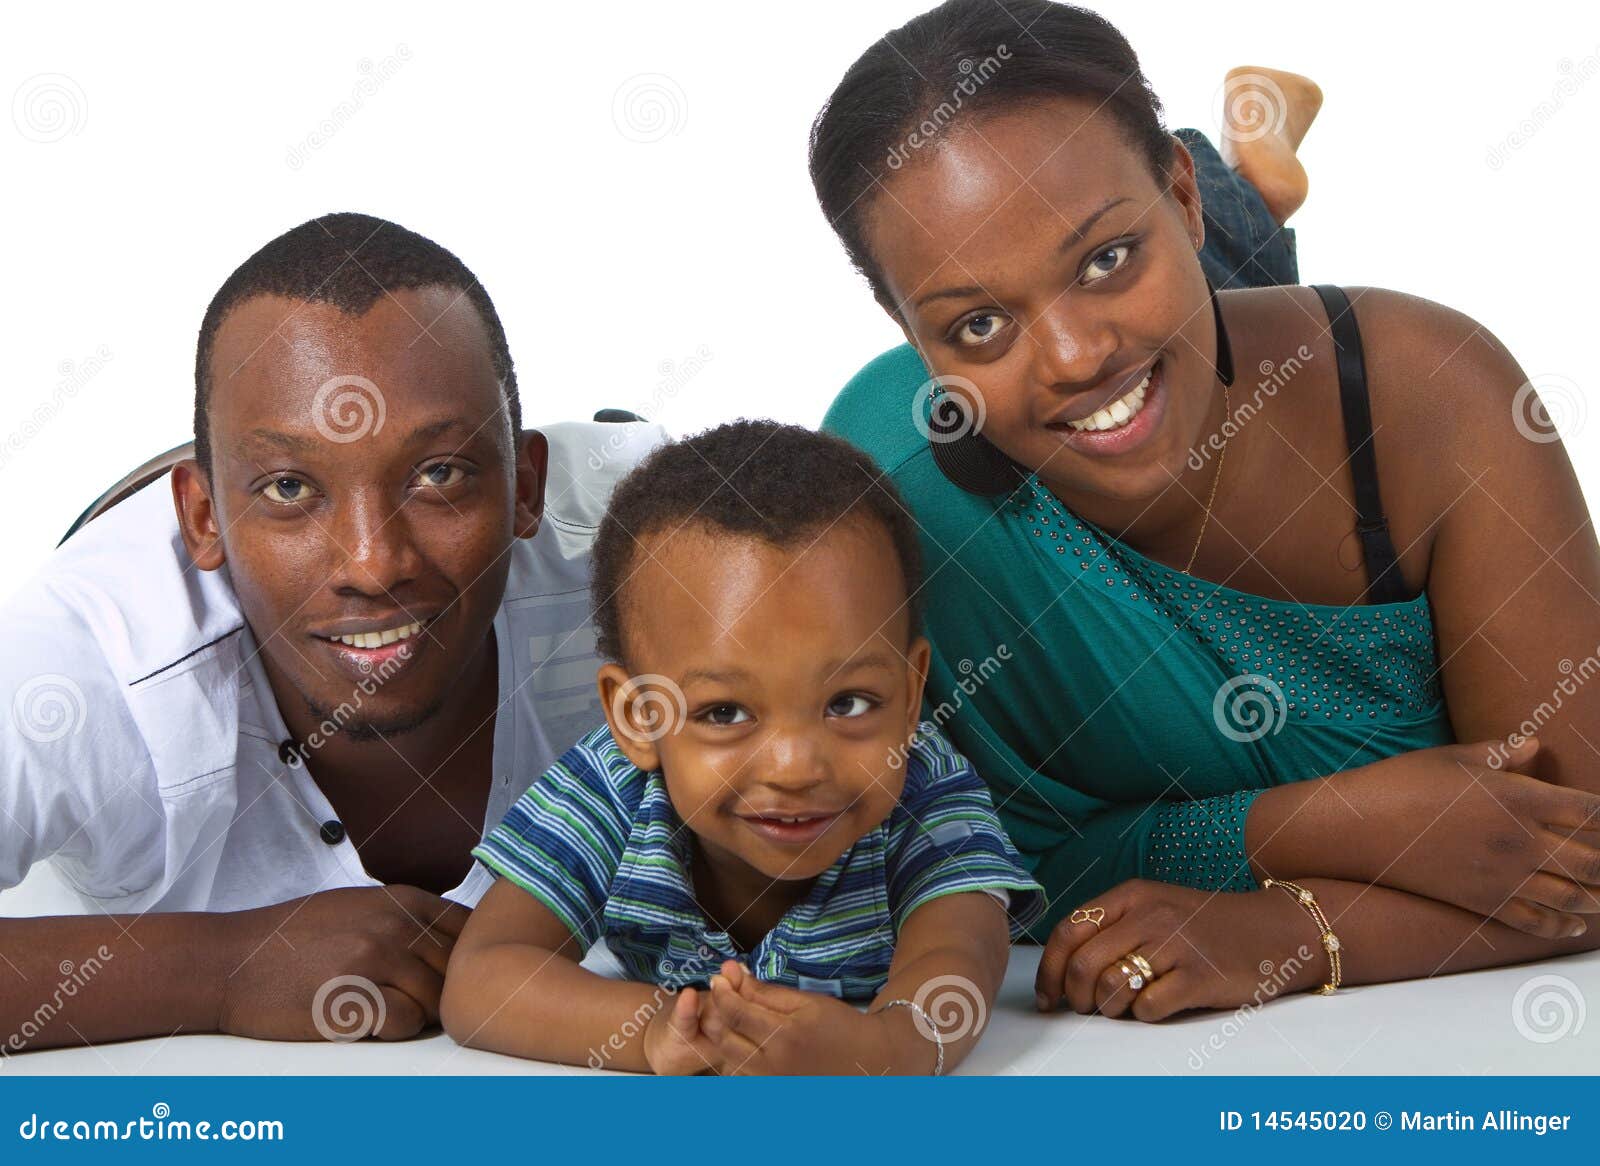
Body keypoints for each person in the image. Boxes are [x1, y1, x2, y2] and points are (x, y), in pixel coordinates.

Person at [813, 0, 1600, 1022]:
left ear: (1176, 193)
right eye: (975, 321)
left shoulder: (1438, 395)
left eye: (1105, 257)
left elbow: (1580, 854)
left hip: (1248, 335)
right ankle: (1236, 200)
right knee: (1156, 355)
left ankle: (1245, 186)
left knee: (1199, 313)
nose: (1070, 354)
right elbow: (986, 867)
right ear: (906, 332)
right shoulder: (895, 502)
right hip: (1167, 351)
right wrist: (1329, 824)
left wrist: (1288, 934)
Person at [0, 212, 666, 1050]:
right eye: (289, 488)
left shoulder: (656, 546)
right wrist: (224, 969)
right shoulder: (82, 664)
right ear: (201, 517)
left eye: (440, 474)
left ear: (526, 487)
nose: (373, 562)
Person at [442, 420, 1043, 1074]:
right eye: (724, 712)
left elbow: (958, 960)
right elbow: (484, 977)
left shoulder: (927, 792)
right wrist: (653, 1032)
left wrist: (885, 1048)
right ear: (638, 718)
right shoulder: (611, 789)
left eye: (849, 703)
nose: (795, 767)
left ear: (909, 693)